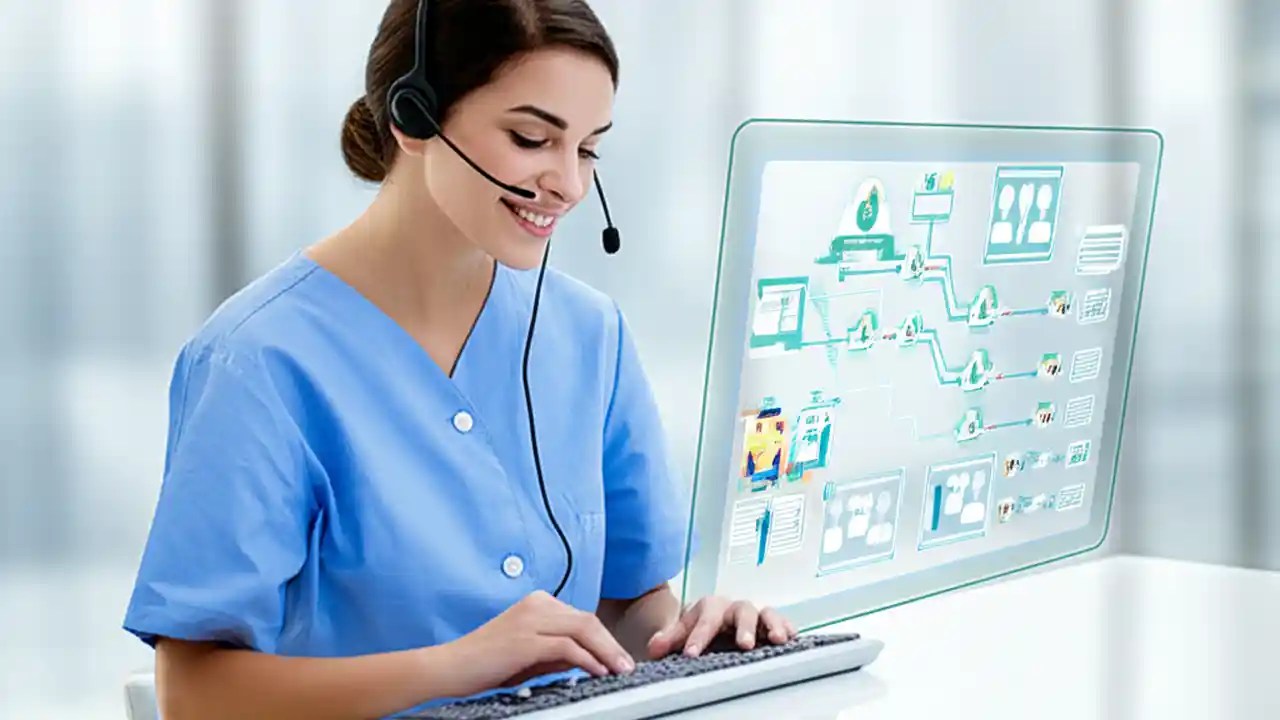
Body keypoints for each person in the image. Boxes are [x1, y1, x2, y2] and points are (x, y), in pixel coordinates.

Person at [120, 1, 795, 718]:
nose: (569, 183)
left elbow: (628, 602)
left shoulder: (589, 334)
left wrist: (694, 641)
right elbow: (194, 696)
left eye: (589, 148)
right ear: (414, 117)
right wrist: (455, 666)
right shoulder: (258, 363)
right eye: (533, 138)